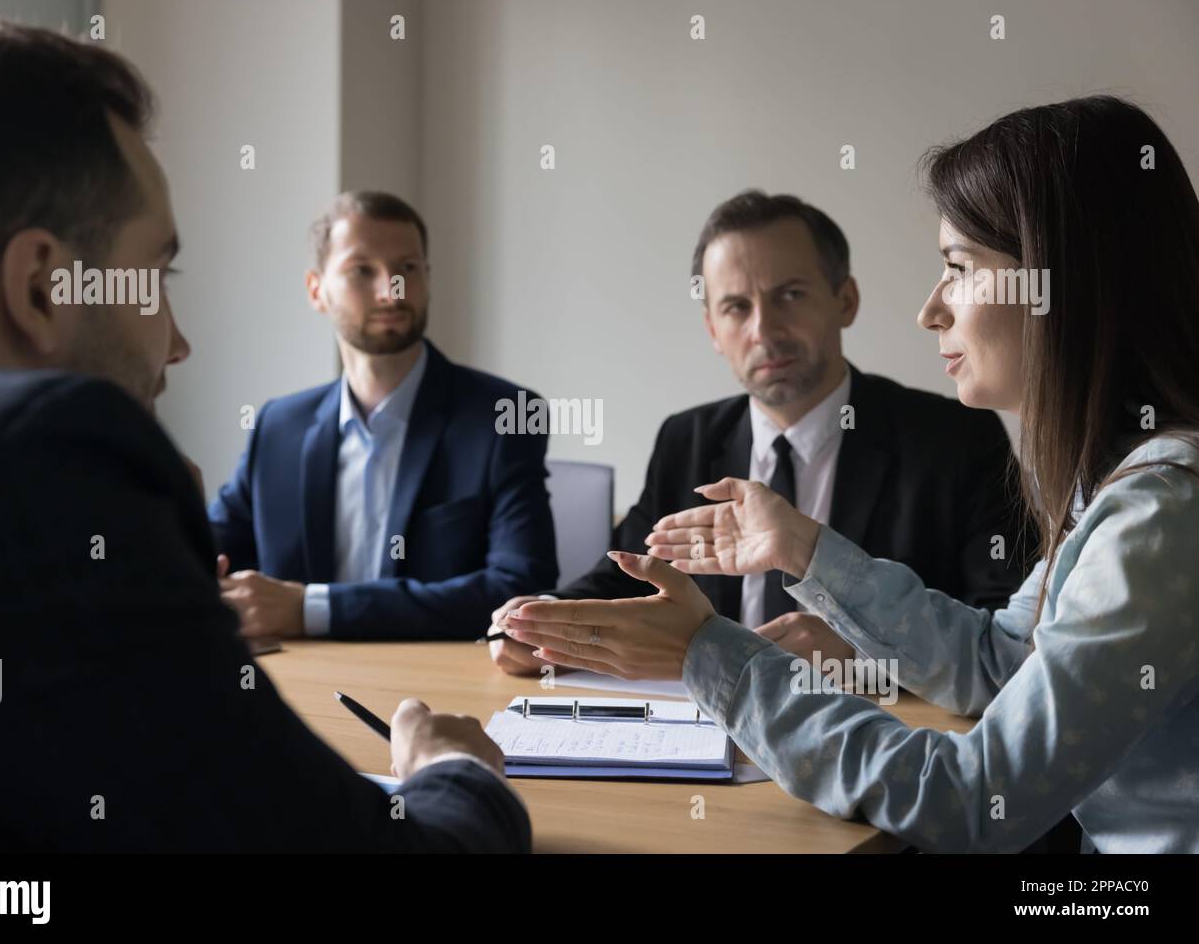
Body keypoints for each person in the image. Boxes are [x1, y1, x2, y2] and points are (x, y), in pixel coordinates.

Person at [500, 96, 1199, 853]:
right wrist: (805, 550)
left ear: (1065, 283)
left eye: (958, 268)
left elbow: (973, 799)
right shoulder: (1117, 483)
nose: (930, 310)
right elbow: (997, 659)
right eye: (735, 307)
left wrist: (710, 655)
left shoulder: (1159, 510)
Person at [0, 20, 528, 852]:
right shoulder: (42, 457)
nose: (180, 343)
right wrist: (460, 771)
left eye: (408, 267)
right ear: (45, 287)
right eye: (158, 273)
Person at [490, 190, 1031, 676]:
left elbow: (1007, 628)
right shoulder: (687, 438)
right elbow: (626, 578)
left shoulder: (956, 437)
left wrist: (866, 650)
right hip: (711, 730)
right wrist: (538, 621)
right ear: (713, 330)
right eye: (735, 307)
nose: (764, 330)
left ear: (845, 301)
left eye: (789, 295)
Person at [209, 191, 558, 641]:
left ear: (428, 278)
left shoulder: (505, 417)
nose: (391, 289)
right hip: (295, 676)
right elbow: (205, 555)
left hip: (437, 678)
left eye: (407, 268)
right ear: (316, 290)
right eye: (362, 270)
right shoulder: (278, 427)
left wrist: (311, 609)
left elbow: (521, 589)